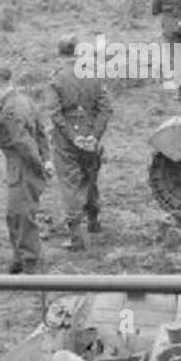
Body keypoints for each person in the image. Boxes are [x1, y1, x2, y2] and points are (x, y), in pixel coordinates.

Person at [47, 35, 111, 251]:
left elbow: (55, 114)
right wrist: (94, 135)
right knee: (90, 178)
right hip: (90, 134)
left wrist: (73, 137)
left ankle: (76, 236)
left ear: (60, 54)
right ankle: (93, 221)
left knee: (70, 184)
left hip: (67, 141)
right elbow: (105, 108)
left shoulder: (56, 79)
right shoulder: (93, 75)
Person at [0, 61, 51, 272]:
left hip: (22, 166)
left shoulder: (12, 107)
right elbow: (41, 132)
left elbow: (23, 142)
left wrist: (39, 165)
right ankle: (19, 258)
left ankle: (30, 262)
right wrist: (46, 159)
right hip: (22, 165)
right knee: (14, 214)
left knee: (22, 216)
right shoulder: (24, 101)